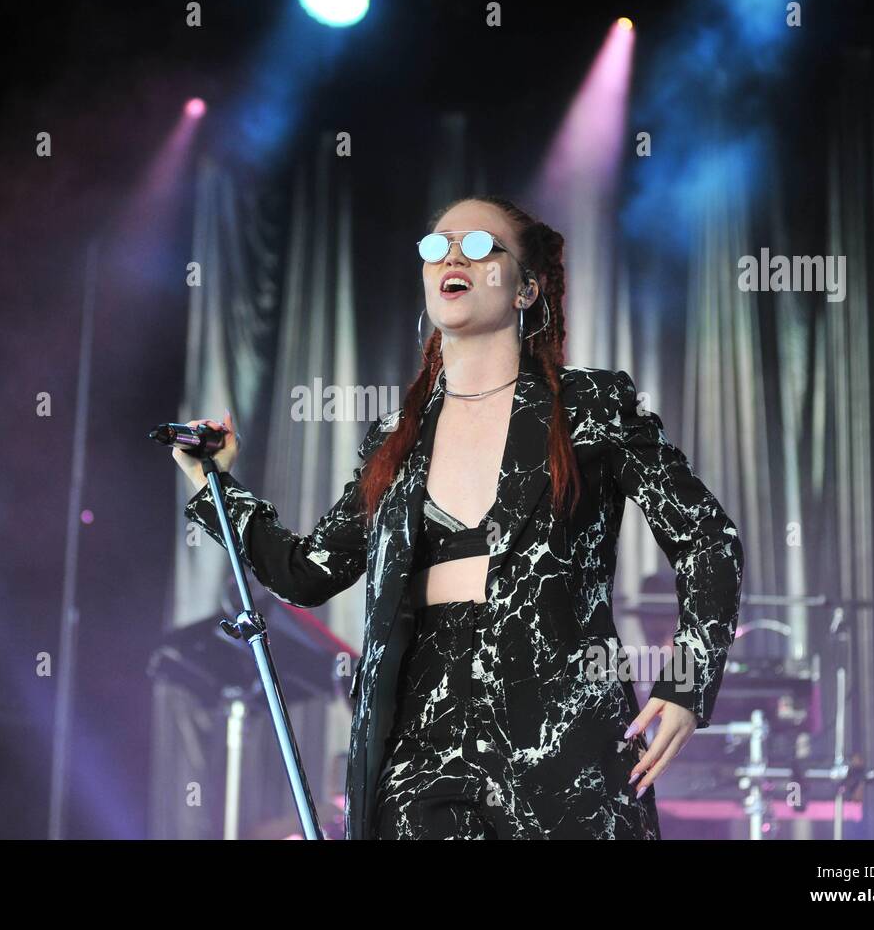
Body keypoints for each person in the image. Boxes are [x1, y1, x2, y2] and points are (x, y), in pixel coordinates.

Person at [175, 195, 744, 839]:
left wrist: (685, 685)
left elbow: (706, 538)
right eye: (436, 244)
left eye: (479, 246)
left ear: (526, 288)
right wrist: (213, 483)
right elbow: (307, 573)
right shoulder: (396, 437)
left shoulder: (591, 405)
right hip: (420, 734)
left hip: (560, 729)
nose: (452, 255)